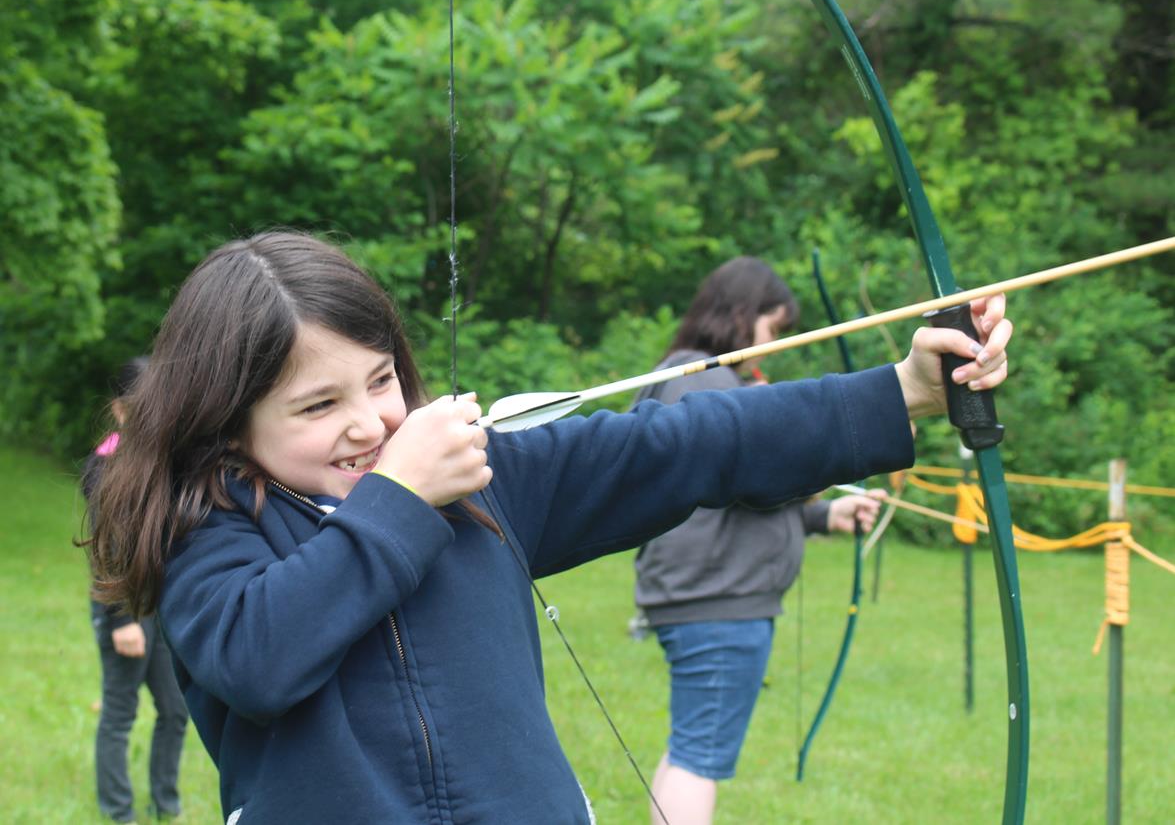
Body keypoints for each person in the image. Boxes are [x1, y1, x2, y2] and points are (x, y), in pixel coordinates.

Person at [85, 231, 1011, 824]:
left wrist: (901, 391)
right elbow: (257, 658)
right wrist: (400, 500)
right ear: (230, 419)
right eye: (318, 403)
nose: (370, 421)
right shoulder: (207, 531)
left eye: (379, 380)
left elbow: (687, 443)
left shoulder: (479, 481)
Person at [632, 257, 894, 825]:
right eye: (772, 329)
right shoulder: (709, 378)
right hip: (718, 600)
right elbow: (758, 480)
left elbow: (728, 501)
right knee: (699, 758)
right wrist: (818, 441)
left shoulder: (686, 373)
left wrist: (824, 517)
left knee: (690, 749)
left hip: (701, 592)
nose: (772, 344)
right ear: (742, 316)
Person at [83, 357, 188, 823]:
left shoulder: (157, 459)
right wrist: (124, 621)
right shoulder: (104, 467)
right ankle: (118, 812)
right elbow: (106, 547)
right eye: (142, 407)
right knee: (121, 714)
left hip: (160, 604)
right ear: (120, 410)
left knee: (175, 711)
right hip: (123, 607)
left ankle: (165, 805)